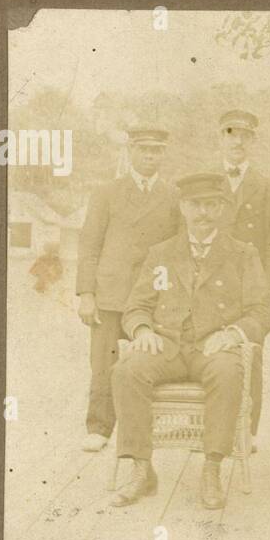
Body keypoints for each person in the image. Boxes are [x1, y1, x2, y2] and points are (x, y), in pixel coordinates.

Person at [109, 173, 270, 510]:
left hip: (213, 347)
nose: (204, 213)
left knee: (228, 373)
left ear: (223, 209)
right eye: (196, 205)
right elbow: (137, 306)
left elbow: (261, 311)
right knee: (127, 371)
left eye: (212, 205)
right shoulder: (162, 253)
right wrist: (142, 331)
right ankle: (142, 467)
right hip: (167, 346)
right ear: (183, 208)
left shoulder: (243, 254)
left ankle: (212, 467)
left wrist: (232, 334)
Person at [74, 128, 180, 453]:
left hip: (152, 297)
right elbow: (89, 245)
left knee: (151, 360)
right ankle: (100, 427)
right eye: (144, 149)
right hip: (111, 293)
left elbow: (177, 250)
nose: (151, 156)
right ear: (131, 151)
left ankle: (148, 426)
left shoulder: (173, 195)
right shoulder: (107, 192)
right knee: (104, 362)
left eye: (157, 150)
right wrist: (87, 294)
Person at [217, 108, 270, 437]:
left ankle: (247, 429)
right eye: (231, 134)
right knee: (207, 346)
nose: (237, 142)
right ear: (221, 138)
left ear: (253, 141)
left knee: (251, 351)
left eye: (244, 136)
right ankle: (206, 425)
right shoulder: (208, 181)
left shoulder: (266, 186)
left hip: (251, 282)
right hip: (210, 279)